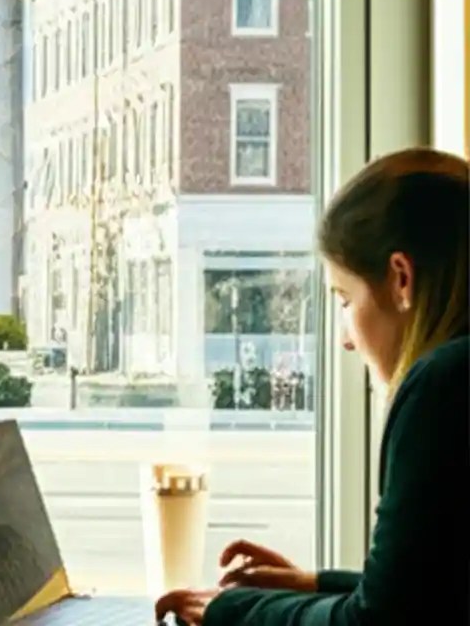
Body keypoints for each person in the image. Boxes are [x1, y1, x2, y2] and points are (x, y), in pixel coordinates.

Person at [156, 148, 469, 625]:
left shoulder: (442, 384)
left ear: (401, 279)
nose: (346, 339)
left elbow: (378, 622)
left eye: (345, 299)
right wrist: (312, 585)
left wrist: (231, 610)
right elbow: (434, 595)